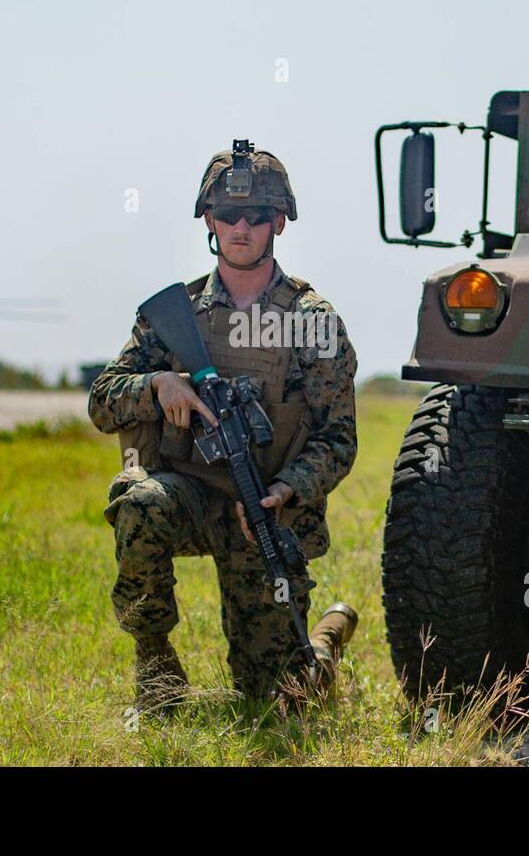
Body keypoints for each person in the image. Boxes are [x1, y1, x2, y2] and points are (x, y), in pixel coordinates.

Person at [89, 139, 359, 713]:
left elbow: (339, 440)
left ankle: (324, 646)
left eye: (256, 216)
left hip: (263, 510)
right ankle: (157, 669)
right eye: (229, 215)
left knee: (277, 704)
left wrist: (286, 489)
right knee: (137, 502)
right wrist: (158, 386)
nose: (241, 227)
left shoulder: (312, 323)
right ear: (209, 220)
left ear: (278, 222)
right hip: (185, 495)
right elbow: (102, 402)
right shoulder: (174, 315)